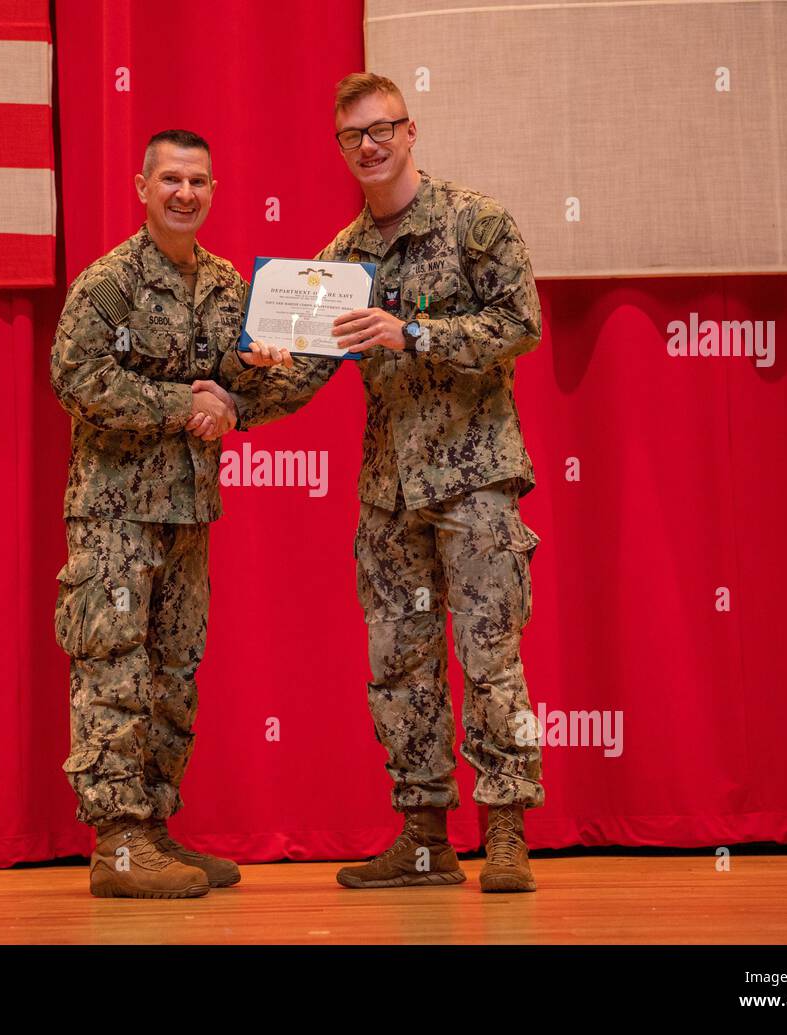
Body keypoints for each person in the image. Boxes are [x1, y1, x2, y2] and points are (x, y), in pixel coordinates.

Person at [232, 73, 545, 892]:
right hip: (389, 491)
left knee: (490, 659)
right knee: (400, 665)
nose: (369, 146)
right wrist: (245, 385)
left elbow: (519, 325)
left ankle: (506, 831)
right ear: (340, 148)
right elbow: (302, 374)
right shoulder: (340, 259)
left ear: (412, 132)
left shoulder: (476, 222)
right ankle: (424, 838)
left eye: (383, 129)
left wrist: (414, 333)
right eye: (353, 137)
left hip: (474, 479)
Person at [50, 129, 278, 898]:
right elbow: (74, 374)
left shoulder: (223, 285)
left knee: (172, 677)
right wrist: (182, 405)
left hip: (186, 513)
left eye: (200, 181)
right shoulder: (110, 282)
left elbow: (239, 383)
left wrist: (252, 383)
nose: (187, 193)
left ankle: (150, 829)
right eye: (172, 179)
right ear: (141, 186)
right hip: (115, 513)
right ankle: (116, 845)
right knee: (114, 669)